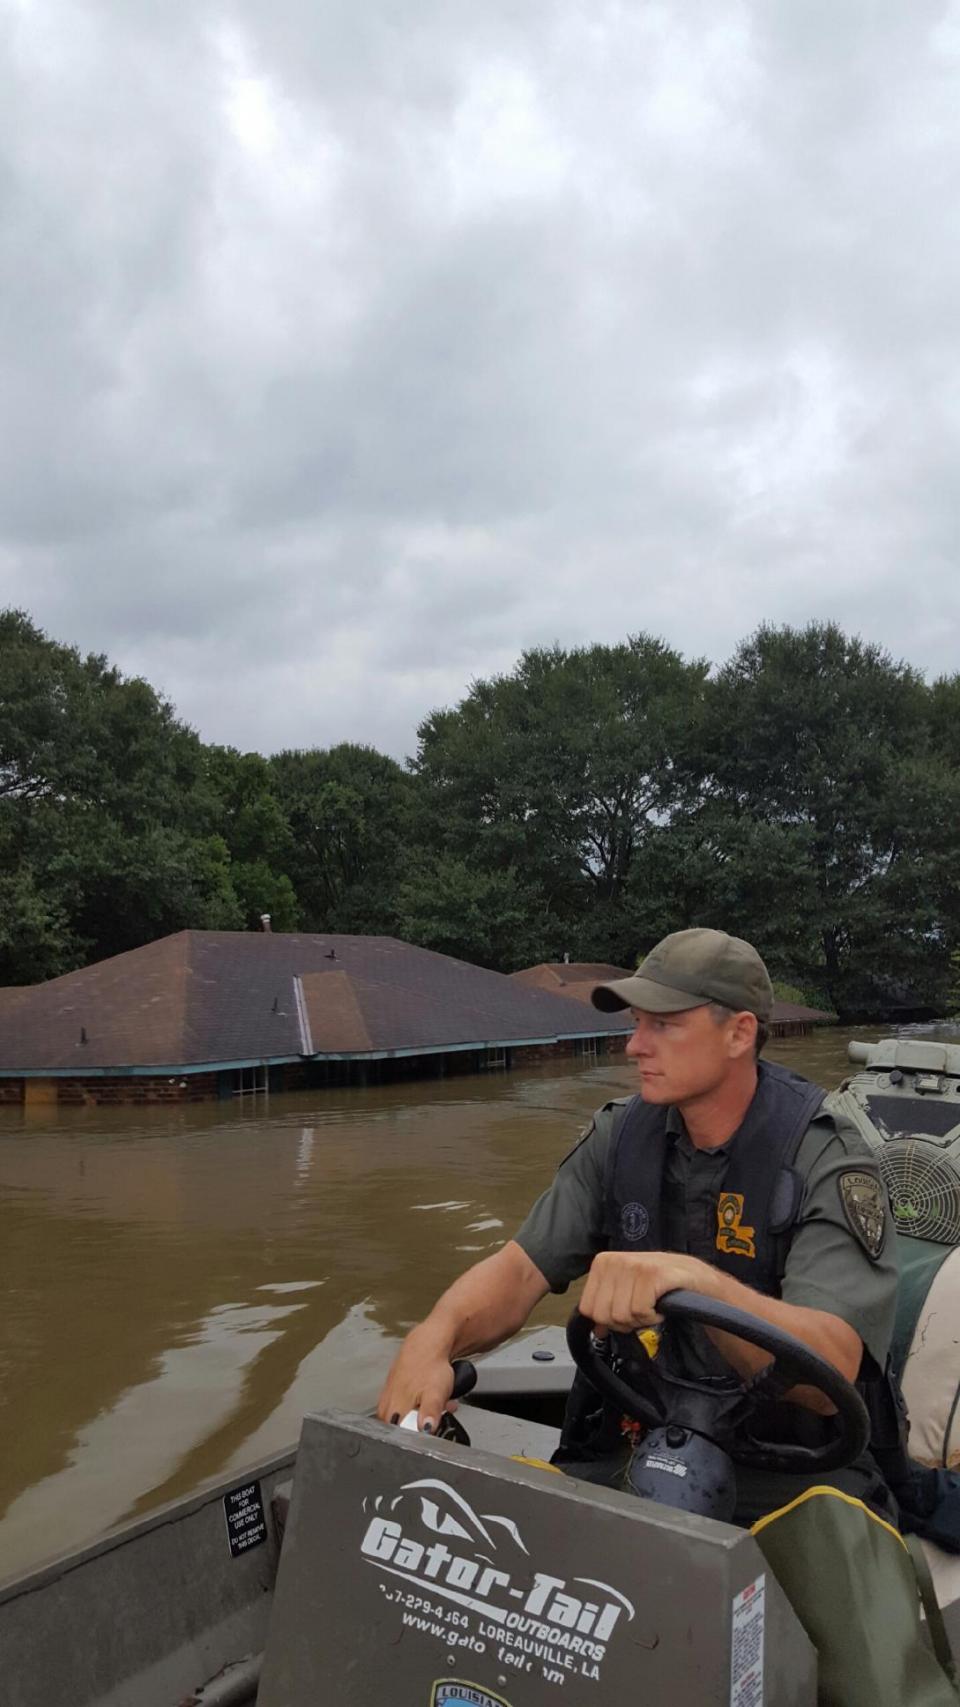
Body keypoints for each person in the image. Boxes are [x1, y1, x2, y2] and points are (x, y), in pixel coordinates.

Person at [377, 927, 898, 1523]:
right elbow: (520, 1270)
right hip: (644, 1433)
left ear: (739, 1033)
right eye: (636, 1023)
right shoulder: (620, 1138)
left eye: (664, 1024)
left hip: (794, 1468)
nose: (633, 1047)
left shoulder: (826, 1157)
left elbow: (828, 1371)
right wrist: (435, 1336)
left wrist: (696, 1284)